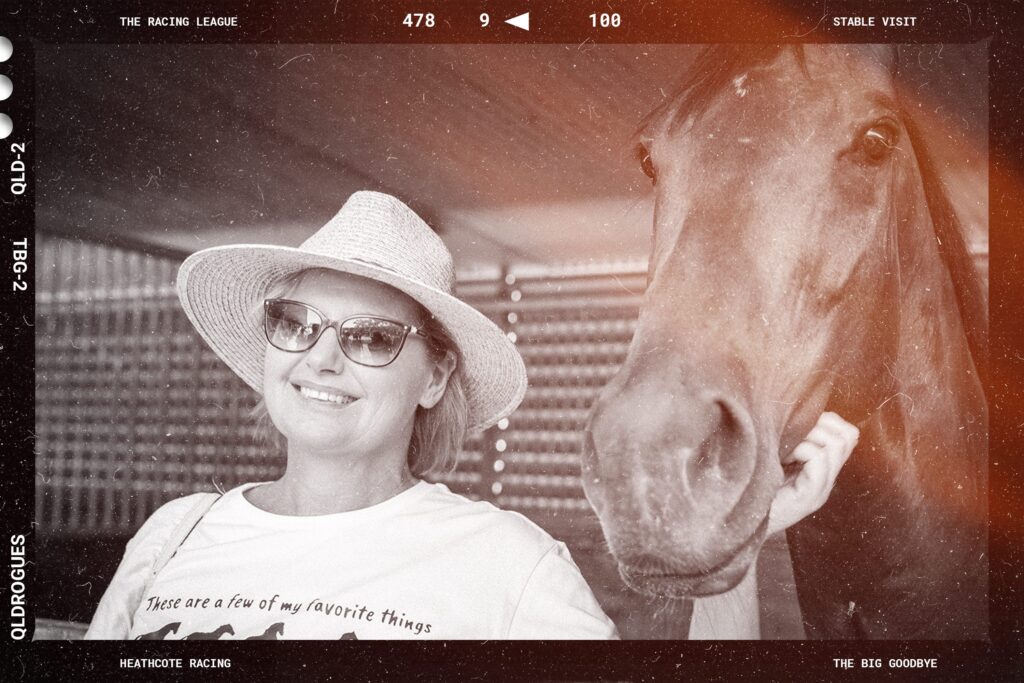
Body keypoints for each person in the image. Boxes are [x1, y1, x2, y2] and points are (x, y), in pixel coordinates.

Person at [84, 191, 857, 640]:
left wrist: (738, 538)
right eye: (296, 322)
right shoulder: (175, 531)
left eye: (372, 338)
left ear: (435, 376)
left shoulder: (511, 566)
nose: (320, 358)